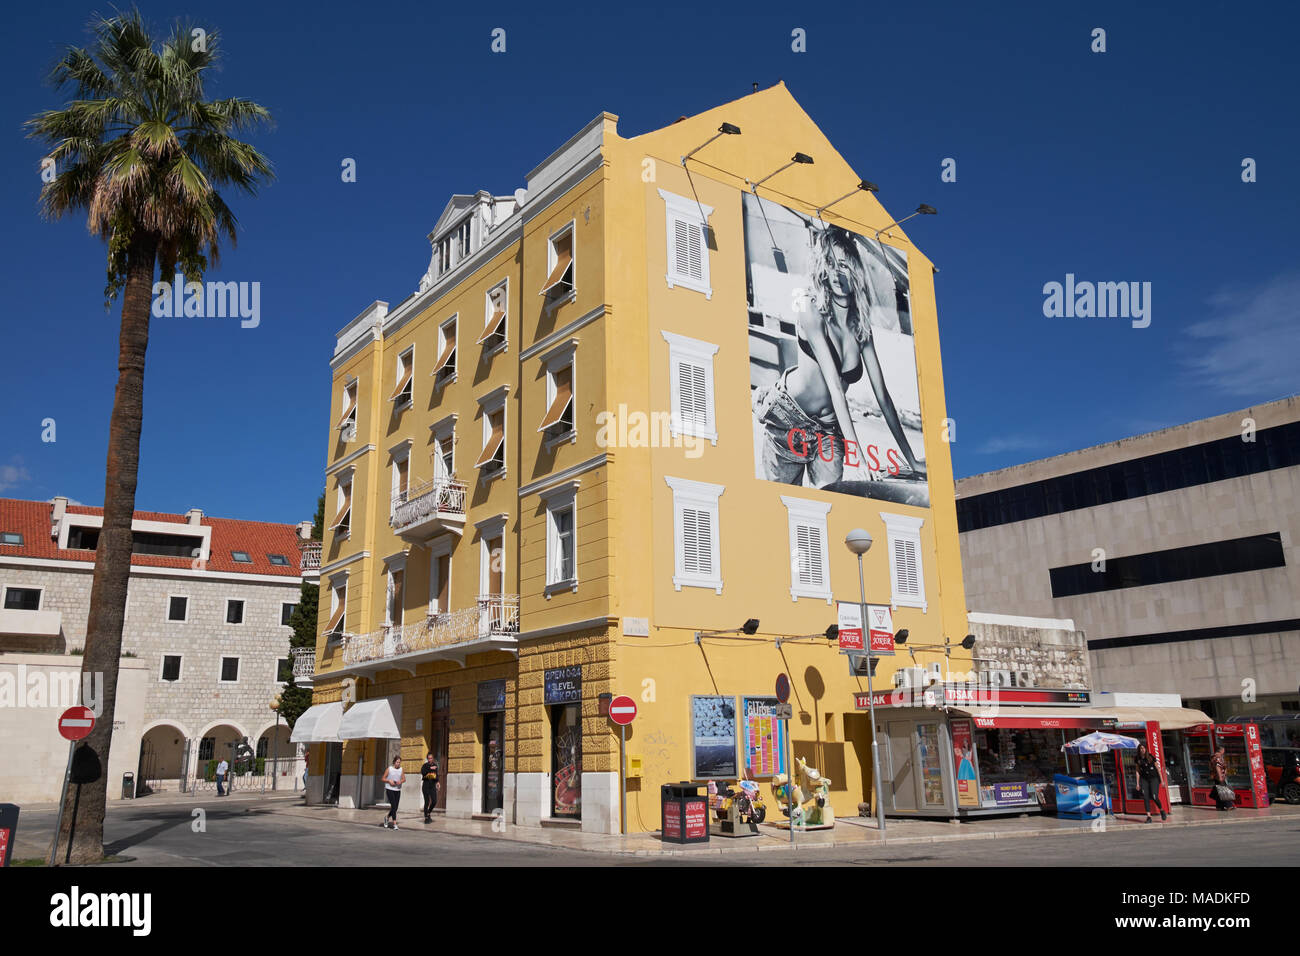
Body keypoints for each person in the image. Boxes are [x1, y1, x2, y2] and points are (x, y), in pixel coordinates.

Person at [752, 223, 925, 490]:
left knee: (830, 510)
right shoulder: (811, 310)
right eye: (830, 263)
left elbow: (883, 397)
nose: (836, 272)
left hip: (829, 428)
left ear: (855, 272)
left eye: (843, 265)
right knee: (781, 511)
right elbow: (835, 386)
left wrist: (912, 459)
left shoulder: (860, 327)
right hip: (789, 420)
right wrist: (859, 458)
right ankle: (762, 398)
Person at [1135, 743, 1166, 822]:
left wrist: (1162, 781)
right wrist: (1137, 783)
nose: (1142, 750)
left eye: (1143, 748)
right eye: (1141, 748)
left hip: (1153, 779)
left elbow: (1158, 769)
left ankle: (1161, 810)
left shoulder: (1151, 757)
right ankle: (1149, 816)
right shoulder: (1137, 759)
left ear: (1146, 749)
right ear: (1139, 750)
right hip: (1144, 779)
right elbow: (1137, 771)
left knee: (1154, 796)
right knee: (1145, 797)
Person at [381, 755, 406, 829]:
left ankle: (387, 817)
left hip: (397, 789)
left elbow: (404, 779)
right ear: (394, 762)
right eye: (397, 762)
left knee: (396, 807)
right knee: (394, 806)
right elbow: (383, 778)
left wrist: (400, 781)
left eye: (399, 762)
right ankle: (395, 824)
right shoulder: (389, 769)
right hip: (389, 789)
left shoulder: (401, 769)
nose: (398, 764)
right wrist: (389, 781)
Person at [1210, 745, 1234, 811]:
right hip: (1219, 776)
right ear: (1221, 750)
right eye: (1223, 750)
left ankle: (1219, 806)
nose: (1224, 751)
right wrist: (1220, 776)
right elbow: (1217, 767)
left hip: (1216, 776)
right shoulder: (1217, 757)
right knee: (1224, 790)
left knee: (1219, 790)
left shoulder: (1214, 756)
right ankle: (1228, 805)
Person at [419, 752, 439, 823]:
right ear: (427, 759)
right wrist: (430, 768)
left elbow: (436, 775)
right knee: (427, 802)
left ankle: (428, 812)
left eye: (431, 758)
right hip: (426, 785)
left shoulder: (435, 766)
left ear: (433, 759)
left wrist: (438, 782)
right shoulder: (425, 766)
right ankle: (426, 817)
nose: (430, 759)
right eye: (428, 758)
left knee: (434, 801)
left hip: (432, 785)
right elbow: (423, 772)